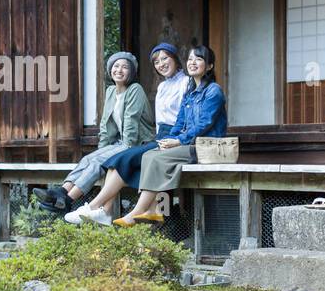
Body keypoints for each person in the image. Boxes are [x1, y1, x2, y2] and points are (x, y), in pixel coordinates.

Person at [79, 45, 226, 227]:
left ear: (210, 66)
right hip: (183, 140)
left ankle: (137, 212)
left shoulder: (213, 91)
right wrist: (168, 141)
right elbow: (180, 121)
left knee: (155, 159)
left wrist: (178, 140)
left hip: (203, 146)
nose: (193, 63)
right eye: (190, 59)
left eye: (198, 59)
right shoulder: (189, 93)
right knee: (150, 155)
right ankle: (150, 210)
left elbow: (204, 124)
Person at [66, 42, 187, 226]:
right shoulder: (162, 87)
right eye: (156, 61)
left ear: (175, 60)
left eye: (165, 58)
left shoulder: (186, 83)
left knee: (124, 156)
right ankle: (101, 211)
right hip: (161, 136)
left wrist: (176, 138)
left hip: (175, 138)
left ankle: (93, 207)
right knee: (113, 160)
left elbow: (182, 118)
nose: (161, 63)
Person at [32, 51, 154, 214]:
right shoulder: (111, 91)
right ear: (110, 70)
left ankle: (68, 200)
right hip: (120, 143)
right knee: (89, 158)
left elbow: (131, 122)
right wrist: (102, 150)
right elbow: (105, 124)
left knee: (98, 162)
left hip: (138, 144)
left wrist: (108, 154)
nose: (119, 70)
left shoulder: (135, 89)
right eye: (116, 66)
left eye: (125, 67)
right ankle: (62, 191)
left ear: (131, 72)